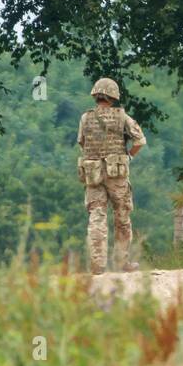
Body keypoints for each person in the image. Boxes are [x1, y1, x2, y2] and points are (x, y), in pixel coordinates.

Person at [77, 77, 145, 274]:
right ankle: (122, 262)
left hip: (93, 173)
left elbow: (82, 143)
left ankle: (97, 265)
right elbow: (140, 141)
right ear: (113, 96)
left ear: (96, 94)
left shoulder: (85, 117)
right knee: (122, 216)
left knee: (97, 216)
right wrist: (128, 156)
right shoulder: (122, 116)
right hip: (117, 174)